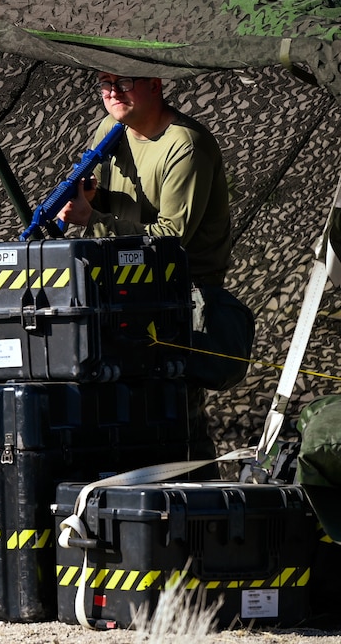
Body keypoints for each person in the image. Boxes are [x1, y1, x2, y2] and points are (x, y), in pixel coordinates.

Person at [58, 72, 255, 461]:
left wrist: (93, 217)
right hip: (119, 295)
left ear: (155, 85)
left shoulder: (185, 145)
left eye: (125, 81)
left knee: (175, 414)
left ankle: (199, 509)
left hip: (177, 296)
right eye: (105, 82)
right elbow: (111, 205)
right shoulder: (109, 130)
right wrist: (92, 200)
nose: (113, 92)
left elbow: (169, 239)